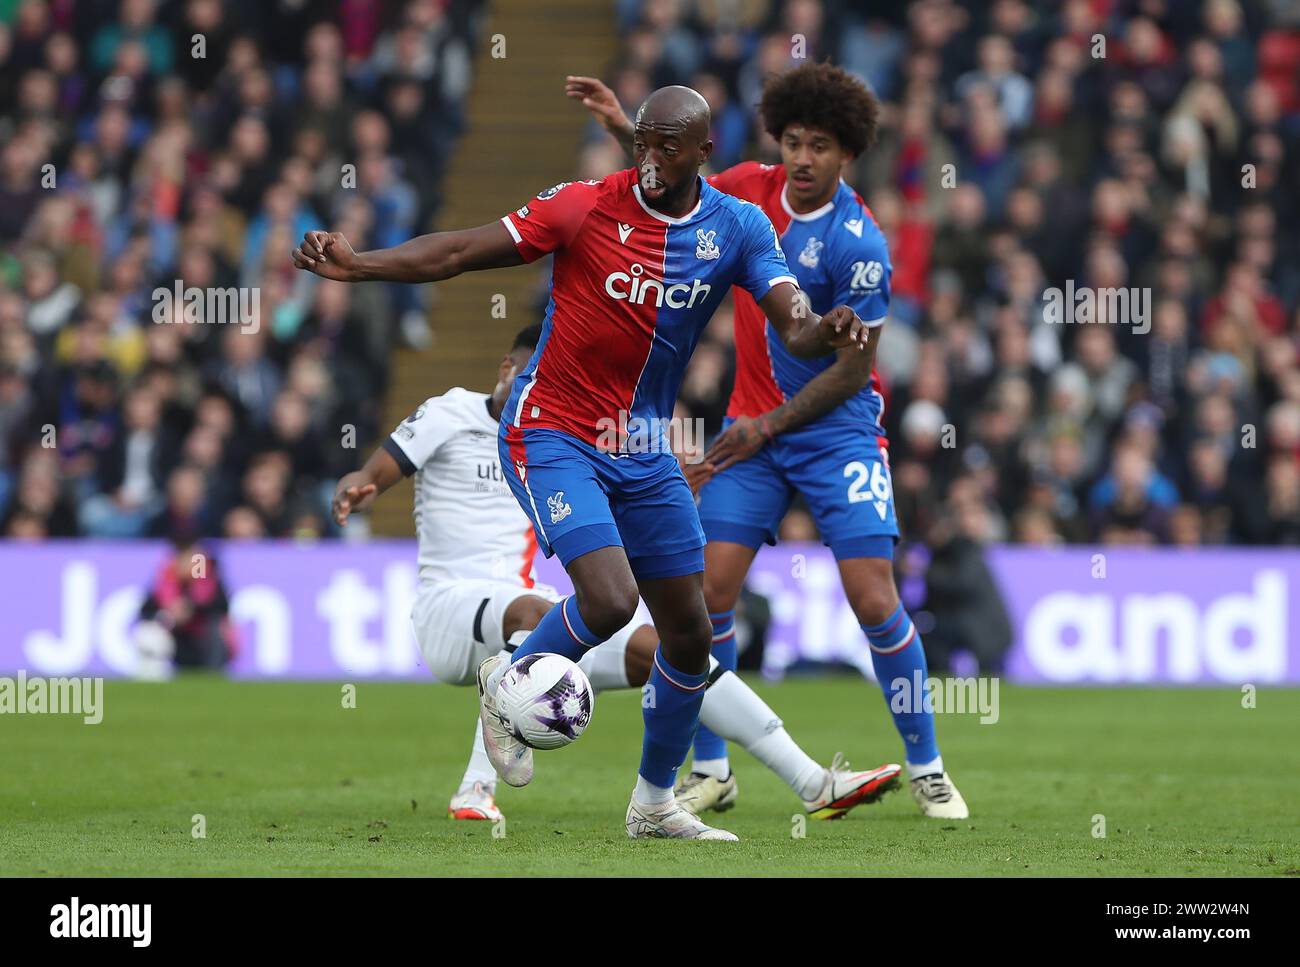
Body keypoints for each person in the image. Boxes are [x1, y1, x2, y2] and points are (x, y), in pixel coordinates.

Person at [294, 84, 870, 841]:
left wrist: (827, 328)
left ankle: (655, 803)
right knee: (605, 599)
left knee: (690, 636)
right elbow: (465, 248)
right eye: (643, 143)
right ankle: (509, 686)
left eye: (670, 147)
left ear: (704, 153)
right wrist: (363, 264)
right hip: (553, 429)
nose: (652, 161)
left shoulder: (738, 226)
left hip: (638, 443)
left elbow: (791, 324)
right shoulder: (585, 204)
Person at [568, 63, 969, 818]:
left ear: (846, 153)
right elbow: (681, 177)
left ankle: (928, 766)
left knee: (874, 595)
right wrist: (627, 127)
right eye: (792, 141)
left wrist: (767, 426)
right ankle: (714, 767)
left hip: (836, 437)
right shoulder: (749, 189)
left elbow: (855, 371)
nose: (803, 157)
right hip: (752, 432)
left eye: (820, 144)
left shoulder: (861, 244)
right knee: (705, 594)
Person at [331, 324, 901, 823]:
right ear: (508, 368)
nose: (537, 393)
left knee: (673, 649)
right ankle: (476, 787)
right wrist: (360, 486)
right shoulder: (450, 409)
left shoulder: (554, 439)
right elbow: (380, 467)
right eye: (530, 377)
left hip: (526, 608)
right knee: (537, 610)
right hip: (449, 609)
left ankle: (813, 784)